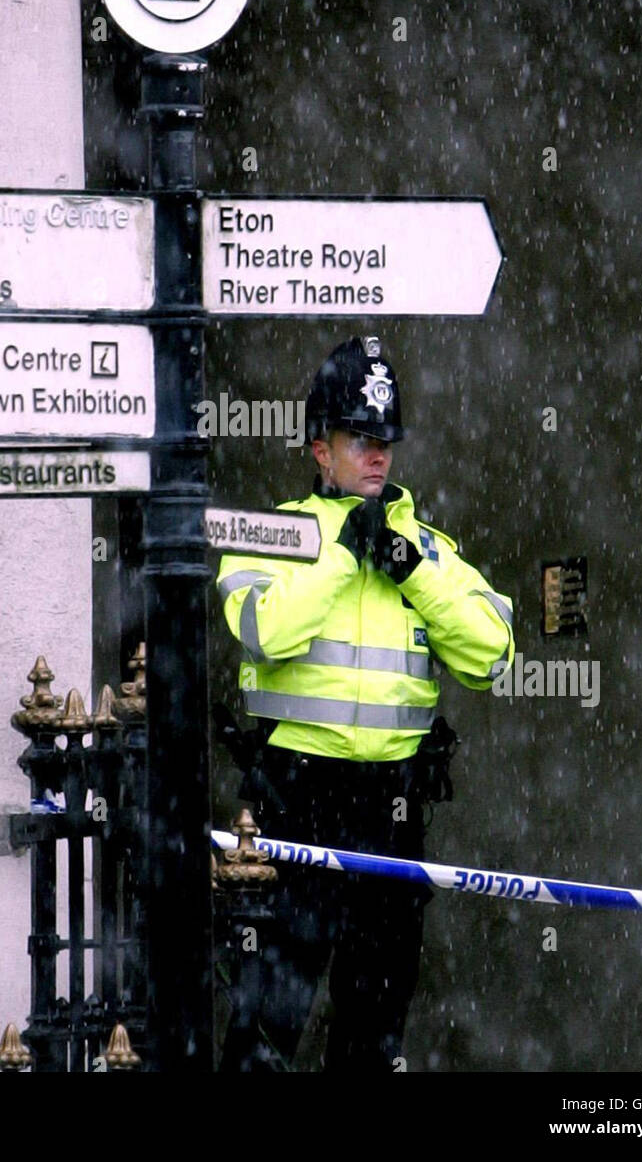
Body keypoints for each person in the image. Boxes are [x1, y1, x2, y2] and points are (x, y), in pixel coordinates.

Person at [215, 335, 514, 1072]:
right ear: (321, 448)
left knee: (373, 1035)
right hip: (294, 800)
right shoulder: (274, 534)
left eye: (387, 441)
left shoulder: (431, 549)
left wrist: (408, 568)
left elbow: (492, 654)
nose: (378, 455)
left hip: (391, 812)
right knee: (262, 1027)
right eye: (360, 439)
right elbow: (265, 628)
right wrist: (345, 557)